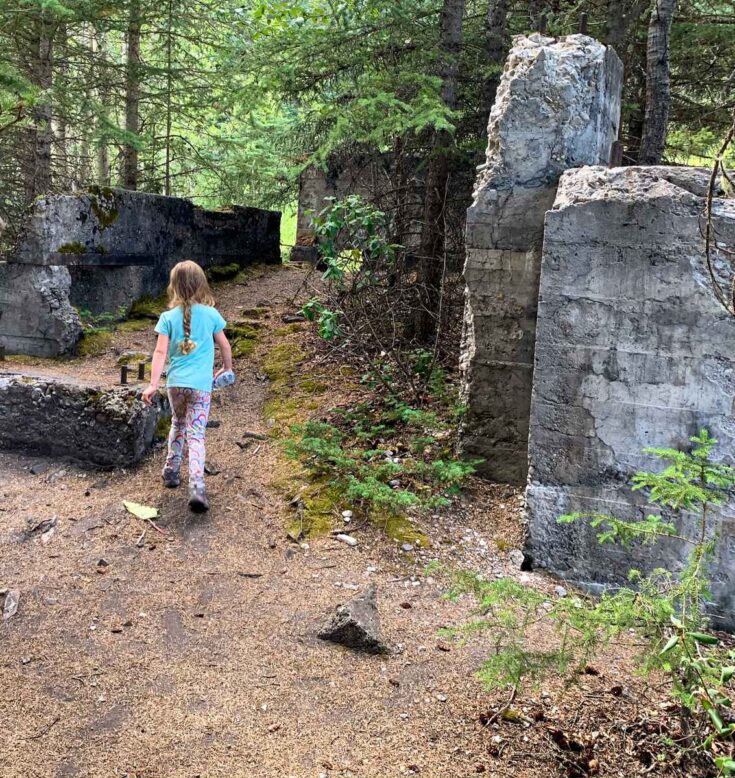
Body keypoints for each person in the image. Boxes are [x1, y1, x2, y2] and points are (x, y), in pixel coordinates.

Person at [142, 260, 233, 512]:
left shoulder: (167, 317)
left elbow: (160, 352)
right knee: (196, 433)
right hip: (201, 387)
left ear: (174, 287)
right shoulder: (212, 315)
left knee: (177, 424)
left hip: (175, 385)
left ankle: (171, 471)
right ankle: (196, 486)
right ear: (201, 284)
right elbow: (225, 345)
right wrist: (227, 369)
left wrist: (152, 384)